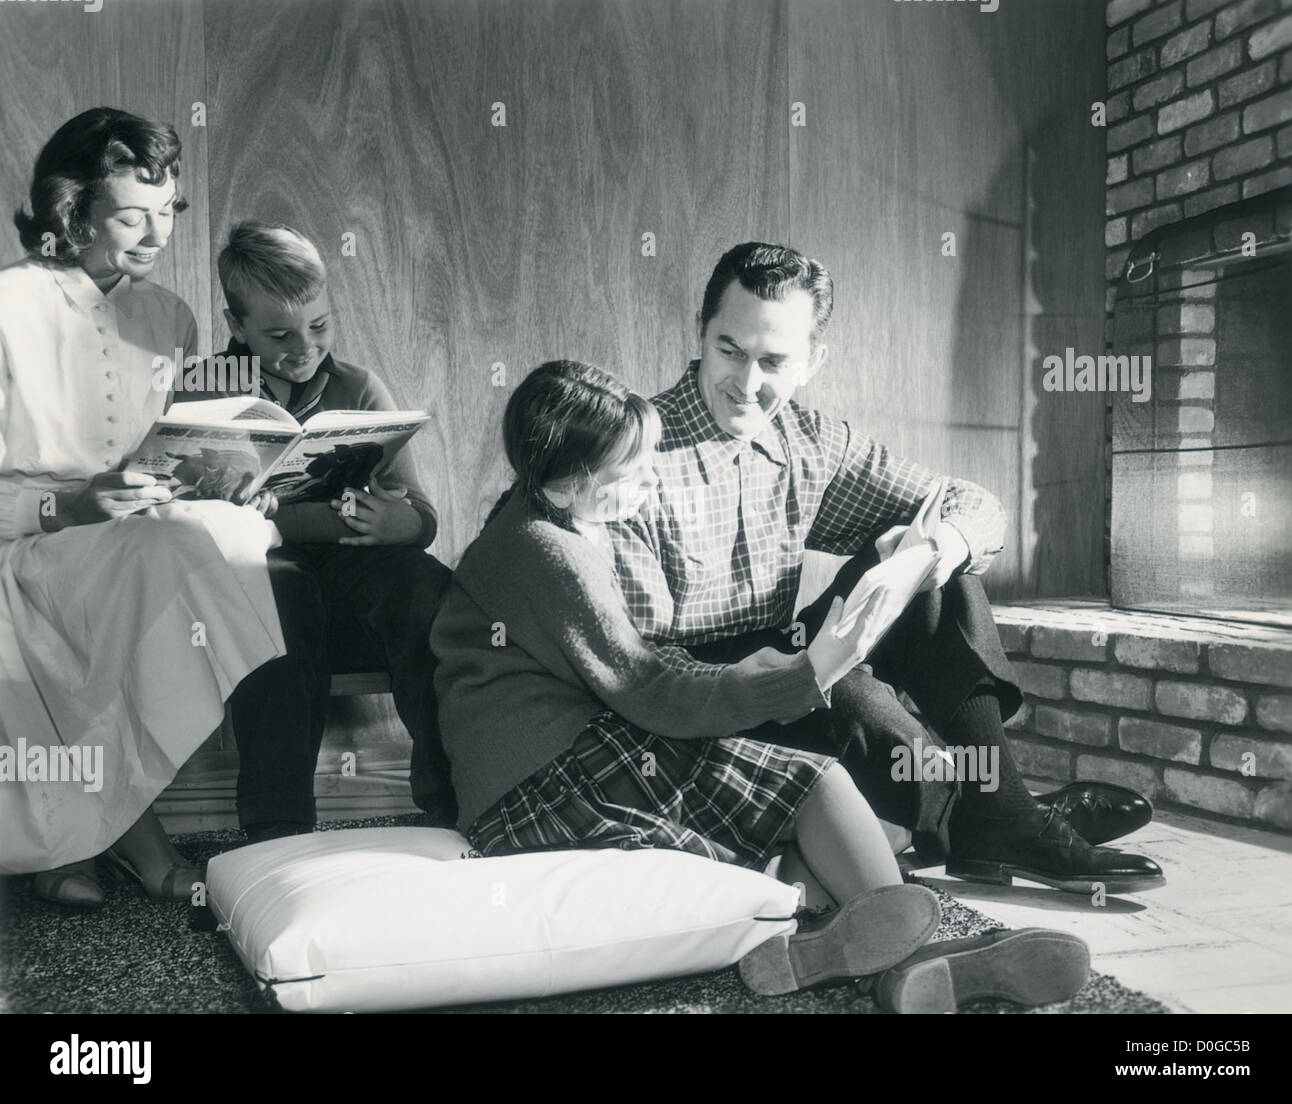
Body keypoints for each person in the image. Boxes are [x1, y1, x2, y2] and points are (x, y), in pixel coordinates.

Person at [430, 360, 1090, 1009]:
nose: (647, 483)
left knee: (839, 829)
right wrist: (804, 676)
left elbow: (628, 667)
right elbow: (649, 686)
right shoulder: (554, 553)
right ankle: (919, 962)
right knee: (820, 785)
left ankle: (821, 945)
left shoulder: (532, 519)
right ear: (572, 485)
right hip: (555, 778)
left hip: (539, 773)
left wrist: (750, 674)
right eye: (629, 474)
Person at [606, 242, 1163, 896]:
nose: (748, 383)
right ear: (700, 334)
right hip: (689, 694)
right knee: (853, 696)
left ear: (813, 361)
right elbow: (631, 668)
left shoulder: (811, 442)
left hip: (786, 659)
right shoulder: (628, 450)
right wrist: (814, 671)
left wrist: (921, 559)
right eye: (729, 350)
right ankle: (1004, 810)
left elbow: (972, 504)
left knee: (930, 551)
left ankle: (999, 811)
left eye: (774, 361)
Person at [0, 108, 284, 907]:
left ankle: (96, 835)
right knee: (138, 568)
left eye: (168, 213)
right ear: (69, 212)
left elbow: (155, 452)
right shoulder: (8, 306)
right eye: (132, 215)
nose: (157, 235)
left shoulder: (170, 320)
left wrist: (223, 475)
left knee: (217, 534)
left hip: (121, 535)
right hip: (22, 540)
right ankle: (101, 838)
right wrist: (69, 505)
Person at [172, 222, 454, 839]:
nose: (304, 347)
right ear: (236, 324)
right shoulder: (201, 390)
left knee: (425, 588)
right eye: (278, 334)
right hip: (261, 582)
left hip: (359, 581)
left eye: (320, 326)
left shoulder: (358, 385)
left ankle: (453, 802)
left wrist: (399, 522)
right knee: (276, 596)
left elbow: (421, 516)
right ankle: (279, 832)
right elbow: (191, 520)